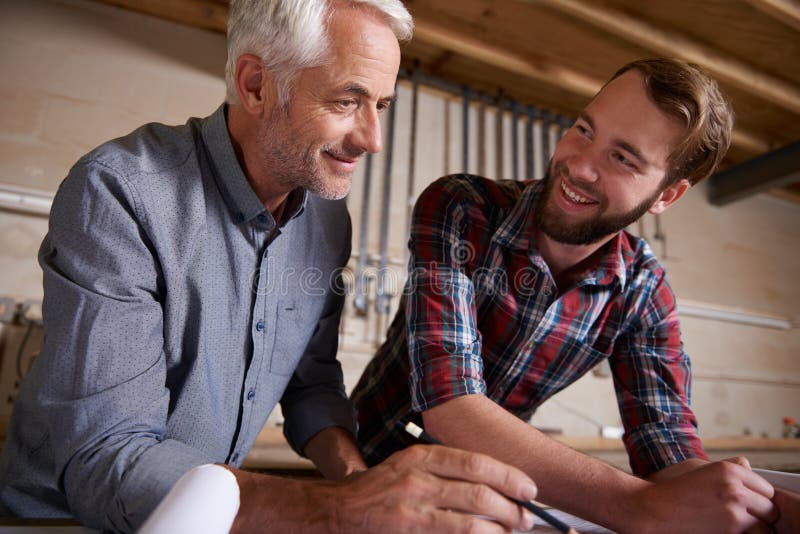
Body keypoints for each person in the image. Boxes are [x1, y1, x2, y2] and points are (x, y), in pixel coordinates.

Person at [0, 1, 540, 532]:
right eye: (348, 100)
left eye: (383, 105)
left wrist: (358, 481)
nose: (373, 139)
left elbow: (311, 385)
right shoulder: (121, 193)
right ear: (256, 85)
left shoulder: (327, 221)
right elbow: (107, 458)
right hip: (61, 521)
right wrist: (338, 511)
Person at [352, 58, 800, 533]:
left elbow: (665, 444)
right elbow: (451, 406)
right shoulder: (463, 207)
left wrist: (761, 508)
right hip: (360, 464)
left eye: (623, 158)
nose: (581, 165)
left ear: (667, 196)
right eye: (584, 129)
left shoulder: (643, 293)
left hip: (480, 494)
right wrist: (638, 506)